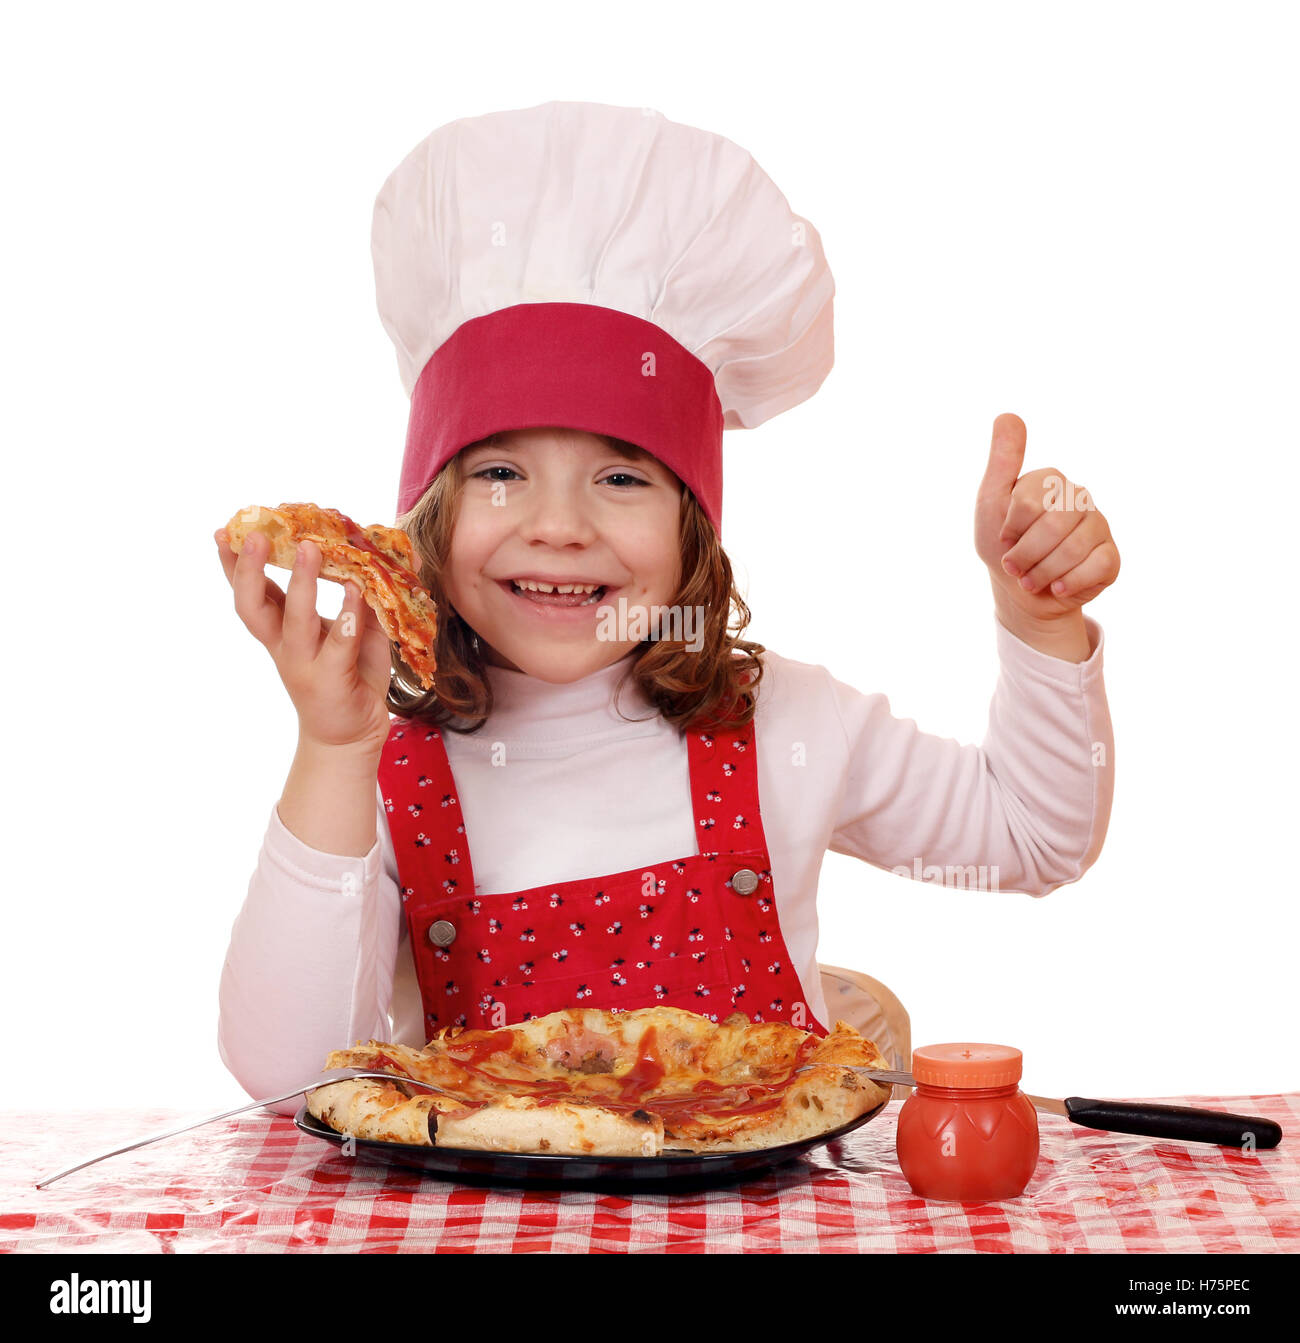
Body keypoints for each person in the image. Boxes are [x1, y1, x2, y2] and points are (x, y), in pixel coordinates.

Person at [214, 103, 1118, 1116]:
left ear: (695, 527)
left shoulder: (788, 723)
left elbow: (1036, 837)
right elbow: (284, 1075)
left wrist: (1036, 621)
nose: (558, 524)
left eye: (622, 477)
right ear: (425, 517)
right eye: (502, 469)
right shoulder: (377, 776)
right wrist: (334, 750)